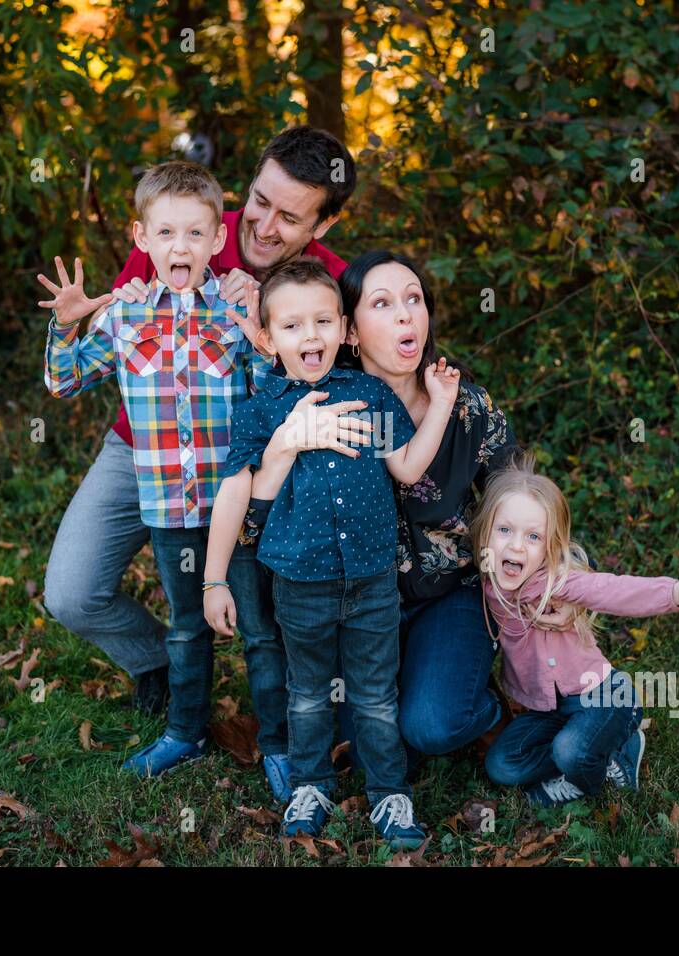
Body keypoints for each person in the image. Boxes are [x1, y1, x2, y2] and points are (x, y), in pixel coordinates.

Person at [41, 126, 355, 721]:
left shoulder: (330, 282)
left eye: (289, 217)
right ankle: (165, 658)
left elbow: (327, 389)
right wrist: (74, 322)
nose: (262, 226)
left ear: (322, 226)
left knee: (272, 603)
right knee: (72, 593)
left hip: (258, 460)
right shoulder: (183, 223)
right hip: (149, 452)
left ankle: (303, 683)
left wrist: (259, 317)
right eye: (259, 201)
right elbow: (115, 344)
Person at [37, 161, 291, 799]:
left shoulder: (234, 314)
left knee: (258, 627)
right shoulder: (123, 318)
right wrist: (68, 321)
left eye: (196, 233)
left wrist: (261, 334)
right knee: (186, 624)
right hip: (170, 508)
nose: (182, 246)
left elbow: (274, 399)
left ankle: (280, 743)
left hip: (237, 504)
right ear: (141, 238)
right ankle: (185, 731)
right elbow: (63, 380)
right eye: (167, 233)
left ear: (215, 241)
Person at [202, 257, 460, 850]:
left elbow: (406, 467)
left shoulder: (370, 394)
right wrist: (215, 579)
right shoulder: (261, 410)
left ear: (345, 331)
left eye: (322, 322)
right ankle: (311, 783)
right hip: (300, 582)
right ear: (266, 338)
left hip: (372, 578)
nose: (309, 336)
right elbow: (235, 492)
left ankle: (389, 792)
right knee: (309, 692)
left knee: (375, 692)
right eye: (291, 326)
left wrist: (441, 403)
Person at [252, 250, 520, 766]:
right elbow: (283, 350)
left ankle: (492, 707)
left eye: (414, 299)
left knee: (430, 726)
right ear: (349, 331)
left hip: (450, 594)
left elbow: (518, 494)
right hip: (355, 604)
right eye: (383, 303)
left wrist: (542, 568)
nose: (405, 314)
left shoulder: (465, 405)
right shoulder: (325, 408)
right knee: (353, 738)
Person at [470, 453, 679, 805]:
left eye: (533, 537)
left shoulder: (556, 583)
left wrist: (676, 593)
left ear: (550, 548)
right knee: (502, 765)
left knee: (570, 751)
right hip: (548, 709)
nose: (516, 545)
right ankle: (603, 745)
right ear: (485, 532)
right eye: (505, 530)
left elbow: (613, 590)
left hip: (601, 696)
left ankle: (585, 775)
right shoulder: (485, 588)